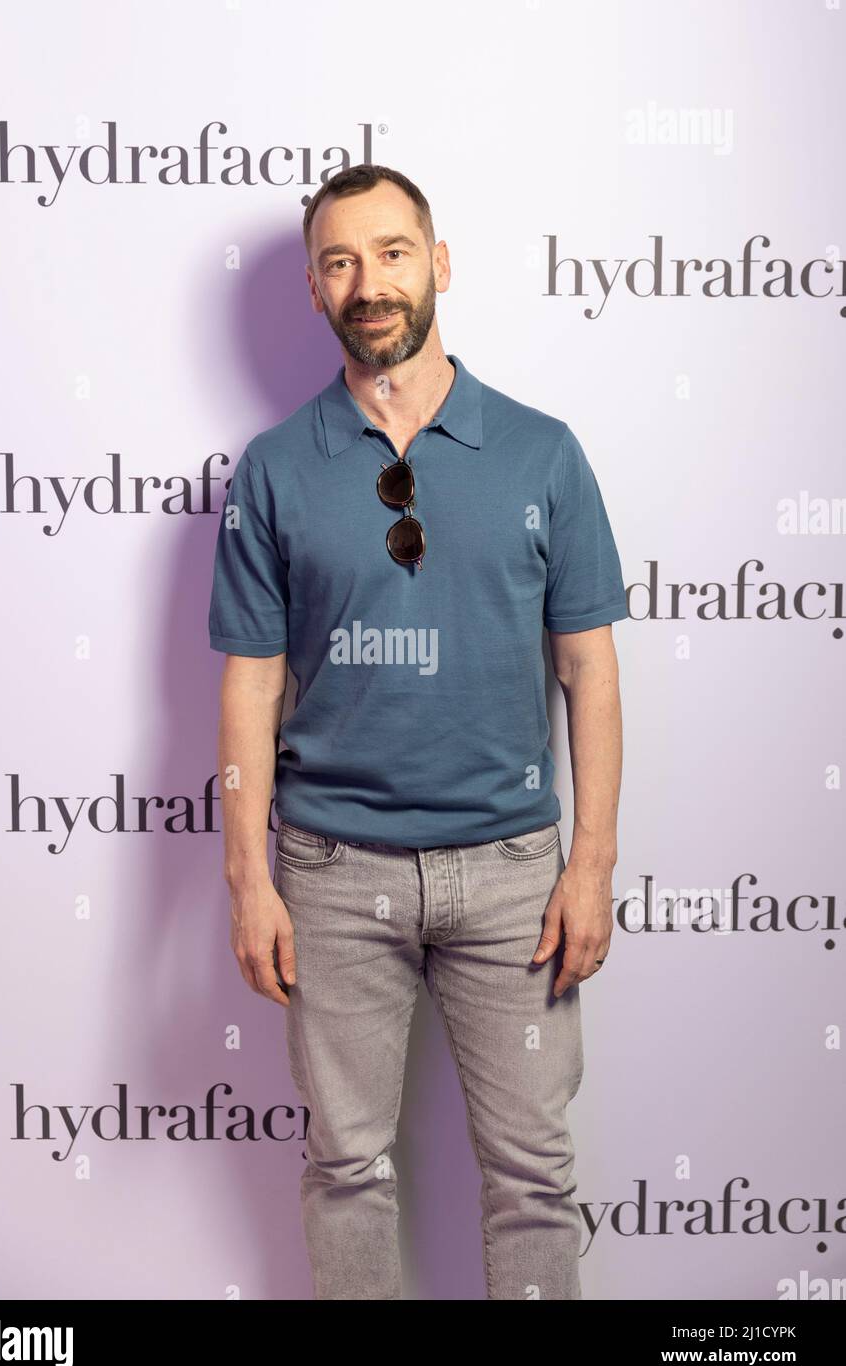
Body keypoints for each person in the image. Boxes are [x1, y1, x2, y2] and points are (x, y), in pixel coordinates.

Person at [208, 163, 628, 1300]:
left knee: (535, 1175)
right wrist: (250, 882)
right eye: (340, 261)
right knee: (347, 1168)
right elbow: (249, 689)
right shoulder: (275, 470)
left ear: (439, 266)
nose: (369, 283)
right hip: (333, 875)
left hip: (510, 875)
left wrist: (589, 865)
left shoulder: (544, 454)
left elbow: (589, 668)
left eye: (392, 253)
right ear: (313, 290)